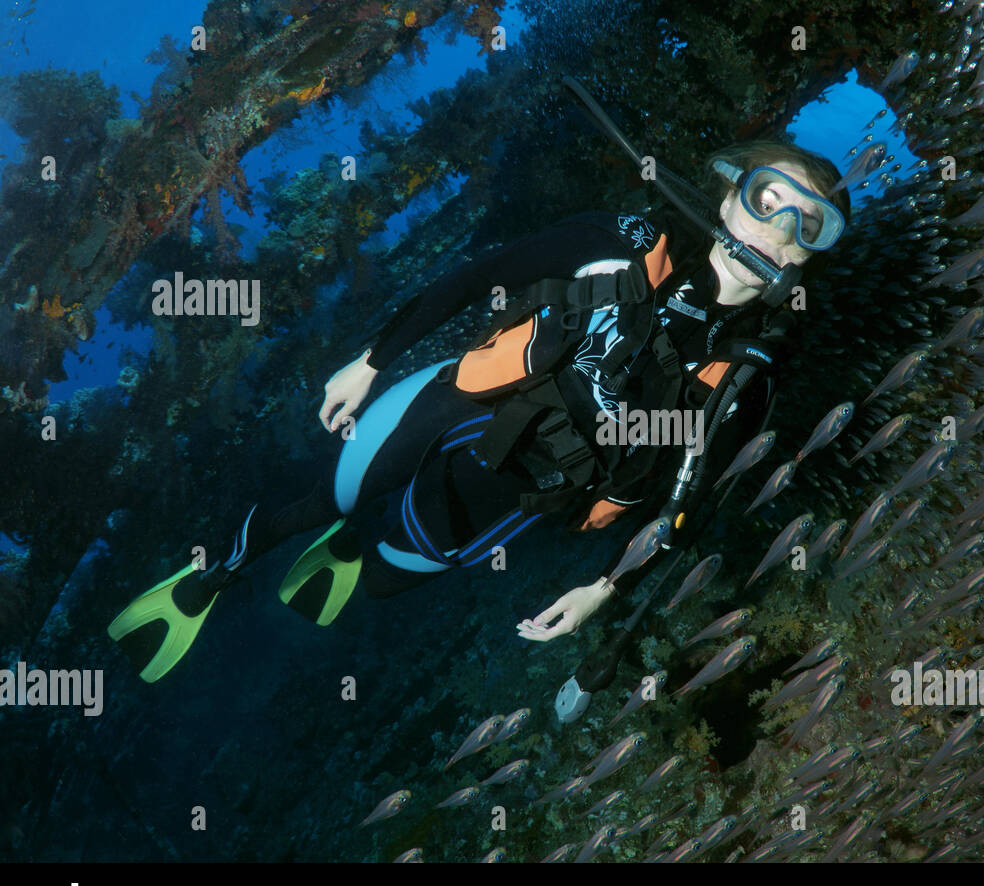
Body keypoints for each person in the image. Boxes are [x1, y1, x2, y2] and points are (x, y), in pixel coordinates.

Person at [107, 140, 850, 684]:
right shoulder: (621, 244)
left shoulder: (749, 379)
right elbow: (478, 276)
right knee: (323, 499)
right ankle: (213, 577)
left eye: (806, 226)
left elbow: (689, 503)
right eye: (765, 199)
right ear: (727, 196)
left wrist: (605, 587)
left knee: (394, 577)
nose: (776, 231)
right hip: (459, 399)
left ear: (809, 259)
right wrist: (372, 360)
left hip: (526, 487)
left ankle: (351, 554)